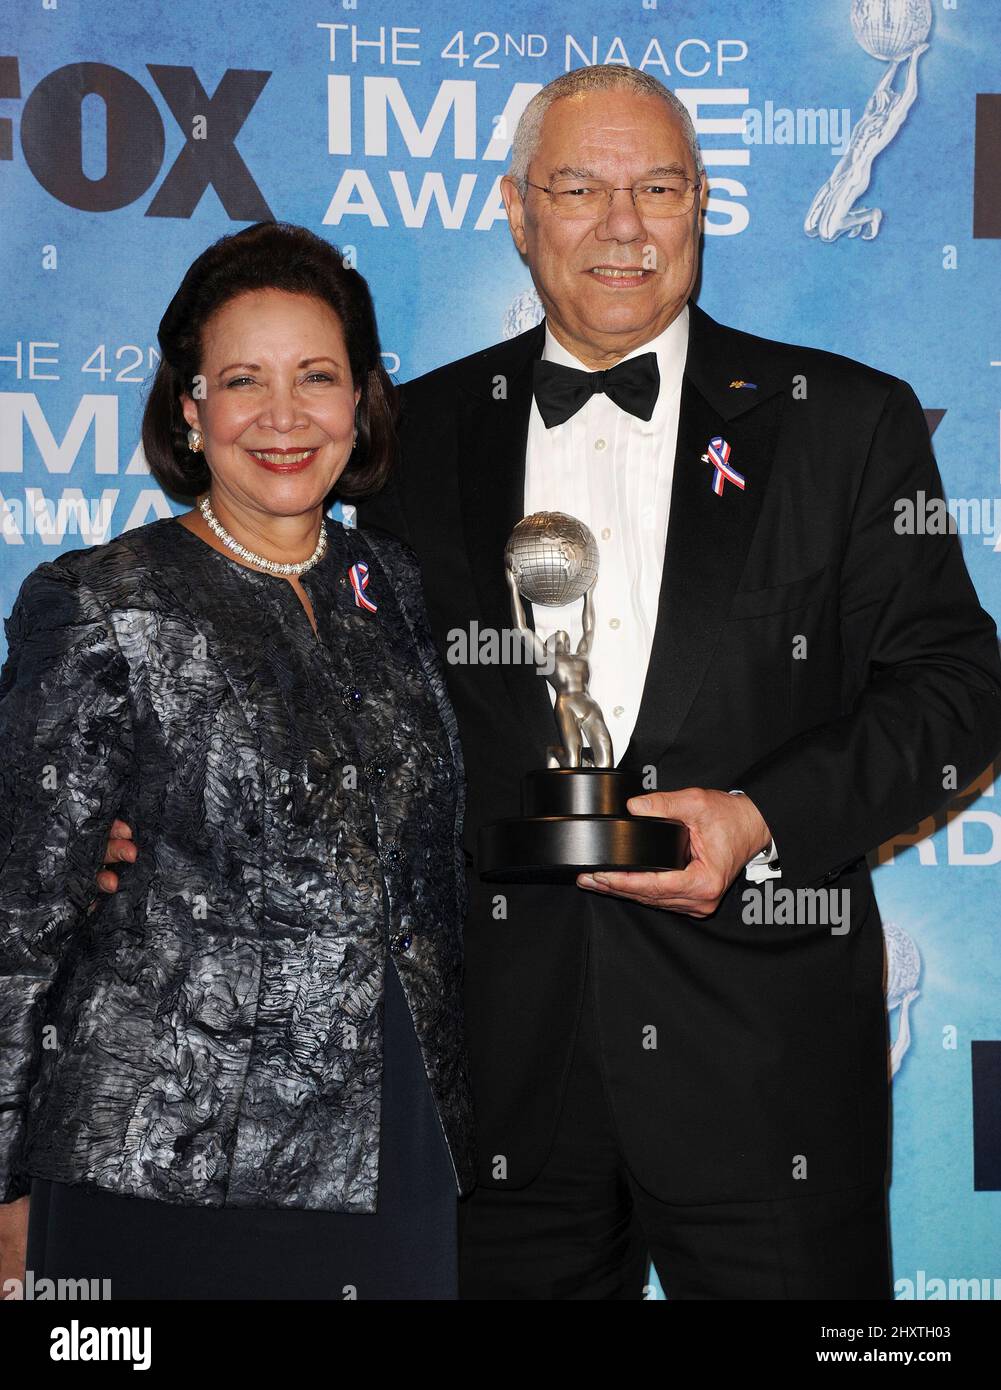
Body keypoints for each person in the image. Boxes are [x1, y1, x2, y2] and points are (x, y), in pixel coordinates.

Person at [96, 66, 1001, 1300]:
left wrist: (756, 818)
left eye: (658, 188)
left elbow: (956, 693)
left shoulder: (843, 423)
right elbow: (324, 676)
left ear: (700, 208)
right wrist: (156, 820)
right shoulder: (404, 441)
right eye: (578, 188)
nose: (621, 226)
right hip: (494, 1089)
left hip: (765, 1078)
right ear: (517, 213)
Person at [0, 221, 475, 1300]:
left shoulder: (391, 588)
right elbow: (18, 916)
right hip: (167, 1156)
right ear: (189, 406)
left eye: (316, 376)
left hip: (395, 1139)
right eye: (241, 380)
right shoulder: (102, 602)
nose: (282, 415)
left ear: (360, 401)